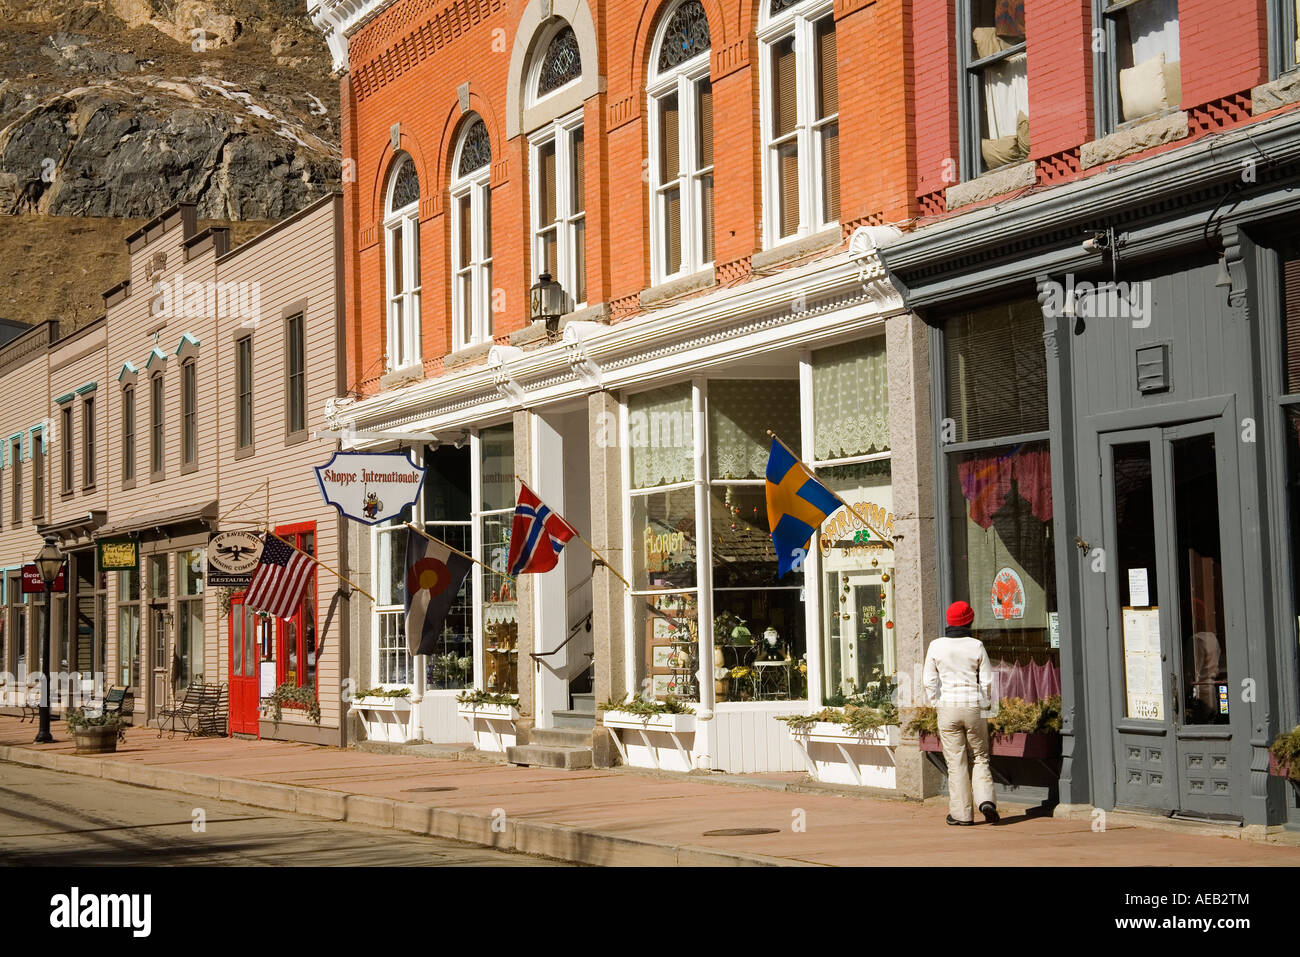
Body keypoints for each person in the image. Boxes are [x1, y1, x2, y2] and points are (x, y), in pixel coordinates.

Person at [924, 600, 998, 825]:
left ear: (948, 621)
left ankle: (961, 814)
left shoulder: (936, 645)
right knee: (980, 756)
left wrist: (936, 701)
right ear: (969, 621)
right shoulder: (976, 645)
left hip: (948, 706)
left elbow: (928, 680)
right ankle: (986, 801)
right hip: (973, 704)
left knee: (955, 761)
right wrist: (985, 704)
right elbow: (987, 680)